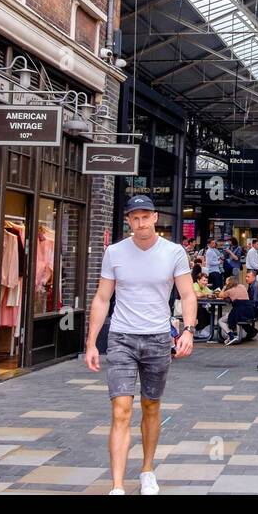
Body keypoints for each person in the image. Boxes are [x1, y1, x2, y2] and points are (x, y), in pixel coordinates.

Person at [86, 195, 195, 496]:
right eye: (135, 217)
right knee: (121, 409)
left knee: (150, 405)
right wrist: (91, 342)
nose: (140, 222)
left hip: (158, 338)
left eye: (145, 216)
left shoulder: (173, 252)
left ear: (155, 218)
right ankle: (118, 485)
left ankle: (147, 469)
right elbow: (102, 297)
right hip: (121, 336)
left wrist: (187, 330)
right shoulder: (114, 252)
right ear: (128, 221)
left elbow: (187, 294)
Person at [219, 275, 255, 345]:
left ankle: (231, 335)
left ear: (229, 282)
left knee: (221, 321)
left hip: (239, 312)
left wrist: (224, 287)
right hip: (249, 310)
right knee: (230, 315)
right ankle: (234, 335)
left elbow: (220, 295)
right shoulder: (242, 286)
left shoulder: (229, 291)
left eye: (226, 281)